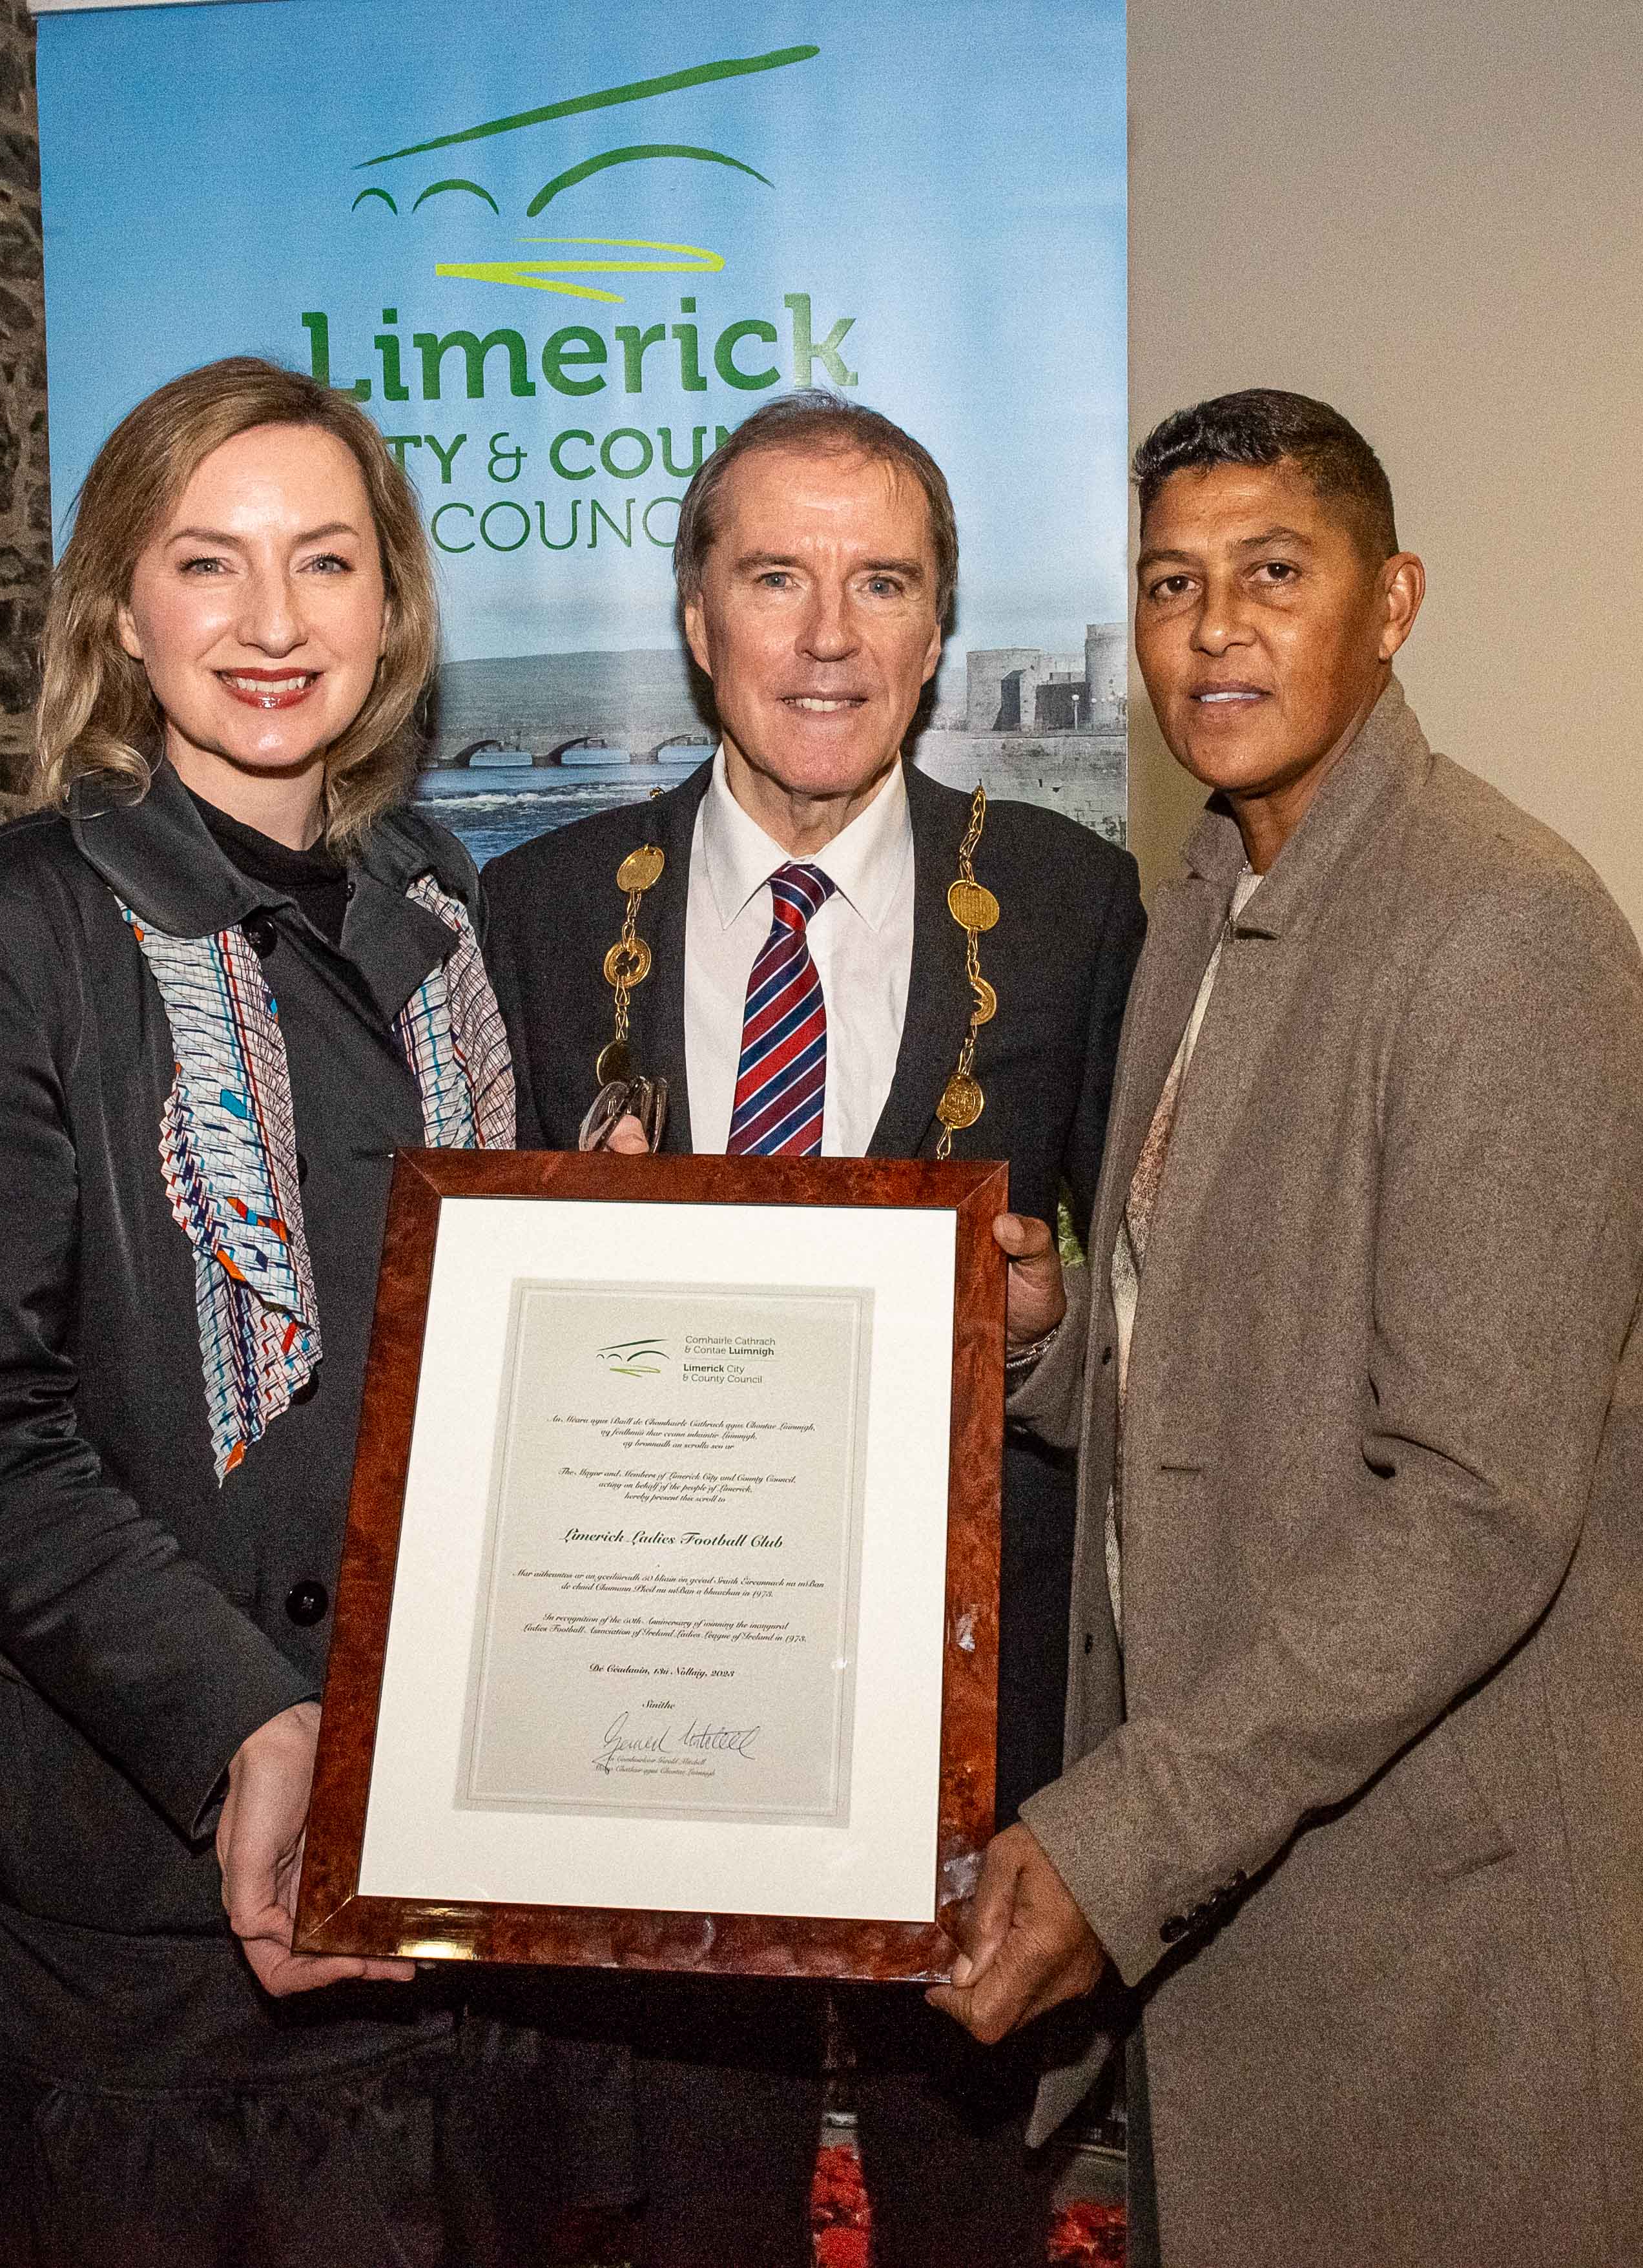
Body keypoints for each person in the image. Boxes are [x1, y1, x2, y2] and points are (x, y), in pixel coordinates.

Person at [929, 388, 1643, 2265]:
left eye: (1273, 574)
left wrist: (1118, 1838)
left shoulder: (1502, 929)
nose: (1213, 630)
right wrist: (1054, 1339)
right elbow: (1231, 1372)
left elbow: (1472, 1511)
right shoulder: (1210, 902)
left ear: (1393, 602)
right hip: (1261, 1893)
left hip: (1452, 1936)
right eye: (1169, 584)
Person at [0, 357, 629, 2265]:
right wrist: (237, 1725)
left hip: (429, 1775)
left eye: (325, 562)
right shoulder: (9, 927)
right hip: (141, 1833)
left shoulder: (445, 910)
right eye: (209, 562)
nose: (273, 623)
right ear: (122, 612)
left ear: (393, 606)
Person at [479, 391, 1145, 2267]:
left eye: (884, 584)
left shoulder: (1074, 904)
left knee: (963, 2196)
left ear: (938, 631)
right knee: (695, 2183)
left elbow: (1155, 1301)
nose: (829, 638)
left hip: (969, 1691)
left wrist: (1043, 1330)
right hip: (658, 1676)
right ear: (698, 619)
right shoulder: (536, 913)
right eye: (777, 578)